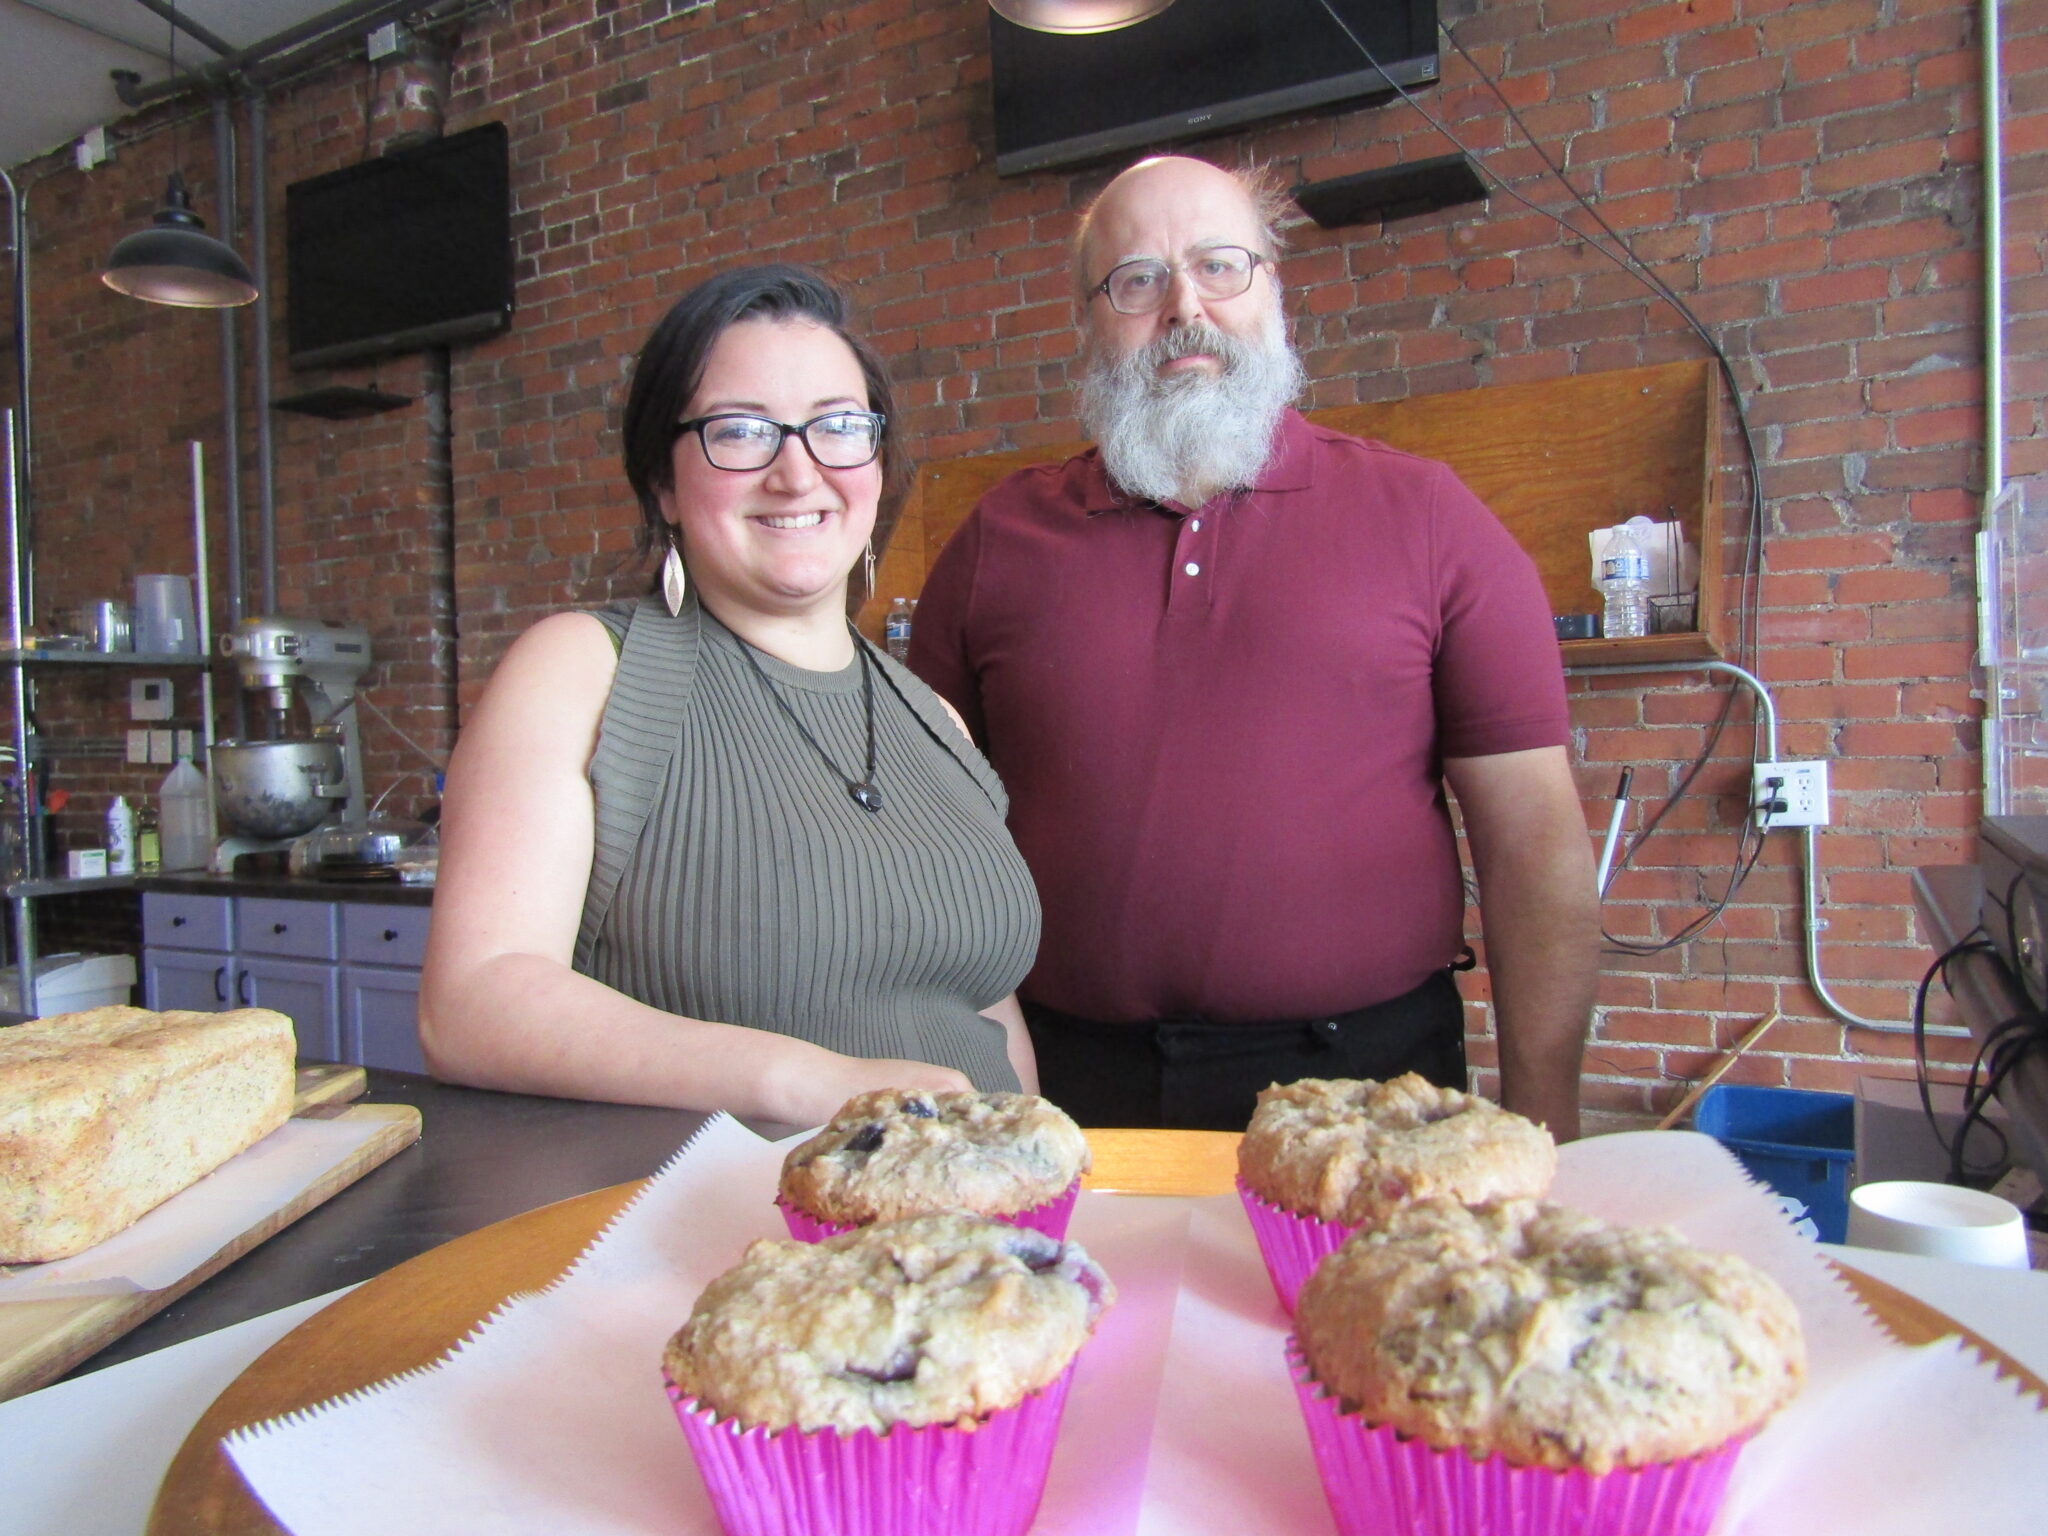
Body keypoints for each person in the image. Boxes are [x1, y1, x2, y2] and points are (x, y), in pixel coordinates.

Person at [908, 156, 1598, 1138]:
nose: (1184, 306)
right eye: (1137, 280)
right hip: (1063, 1093)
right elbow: (912, 832)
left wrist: (1547, 1125)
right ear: (1089, 320)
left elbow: (1532, 844)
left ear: (1271, 287)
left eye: (1218, 266)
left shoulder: (1429, 516)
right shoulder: (993, 543)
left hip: (1367, 1093)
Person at [419, 265, 1041, 1125]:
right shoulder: (581, 670)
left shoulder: (934, 719)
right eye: (742, 431)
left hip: (975, 1232)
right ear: (664, 485)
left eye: (838, 427)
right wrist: (808, 1084)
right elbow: (474, 1002)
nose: (797, 472)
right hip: (719, 1231)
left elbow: (986, 1012)